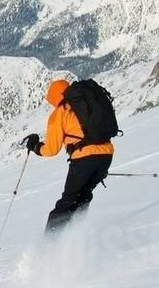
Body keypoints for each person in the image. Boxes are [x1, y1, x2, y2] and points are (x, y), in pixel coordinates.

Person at [21, 78, 115, 232]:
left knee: (67, 203)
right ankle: (78, 234)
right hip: (106, 156)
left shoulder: (61, 112)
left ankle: (49, 247)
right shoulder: (88, 104)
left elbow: (51, 149)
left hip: (84, 160)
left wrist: (35, 147)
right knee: (83, 197)